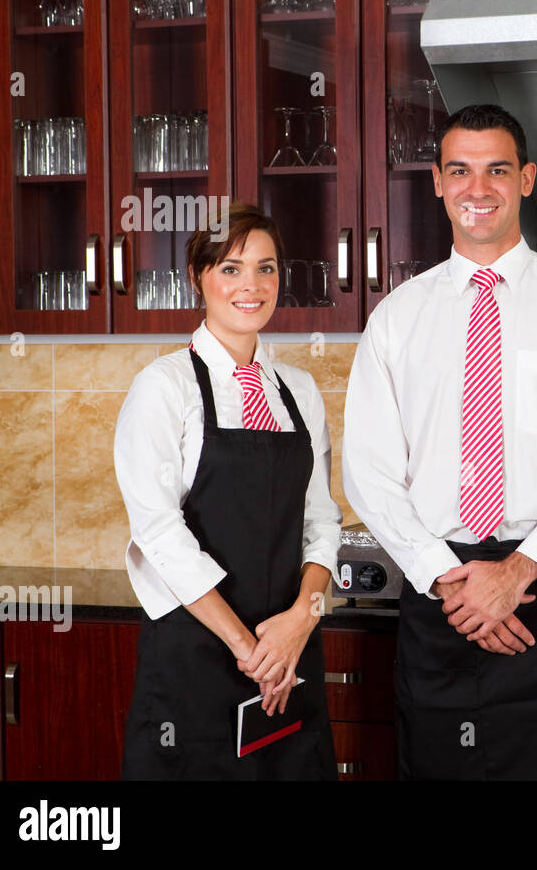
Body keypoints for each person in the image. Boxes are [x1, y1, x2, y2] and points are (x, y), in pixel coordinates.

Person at [342, 103, 537, 780]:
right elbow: (367, 470)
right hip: (438, 600)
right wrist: (449, 581)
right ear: (439, 183)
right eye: (461, 171)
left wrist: (521, 569)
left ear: (527, 179)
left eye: (498, 170)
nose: (479, 188)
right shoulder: (396, 318)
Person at [116, 204, 340, 779]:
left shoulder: (301, 391)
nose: (252, 286)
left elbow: (321, 520)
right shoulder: (163, 388)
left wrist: (300, 621)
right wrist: (248, 648)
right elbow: (160, 532)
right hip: (202, 648)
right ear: (200, 277)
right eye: (232, 268)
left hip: (288, 652)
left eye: (266, 269)